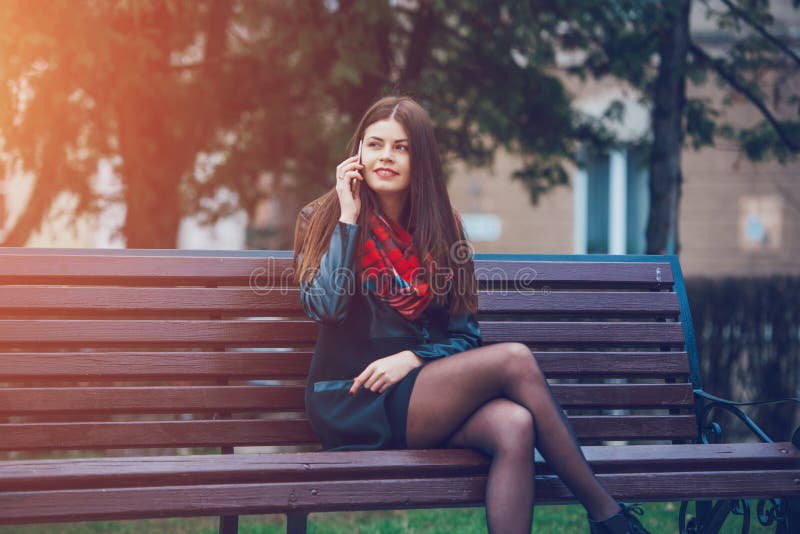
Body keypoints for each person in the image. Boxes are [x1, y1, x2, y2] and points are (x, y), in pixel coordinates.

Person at [292, 95, 649, 534]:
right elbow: (326, 307)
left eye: (400, 147)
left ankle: (607, 519)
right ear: (357, 153)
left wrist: (413, 357)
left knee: (515, 425)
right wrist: (349, 219)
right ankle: (608, 516)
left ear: (419, 159)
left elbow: (465, 333)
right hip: (351, 398)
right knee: (514, 358)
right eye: (374, 144)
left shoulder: (444, 228)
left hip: (419, 392)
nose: (385, 156)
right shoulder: (323, 218)